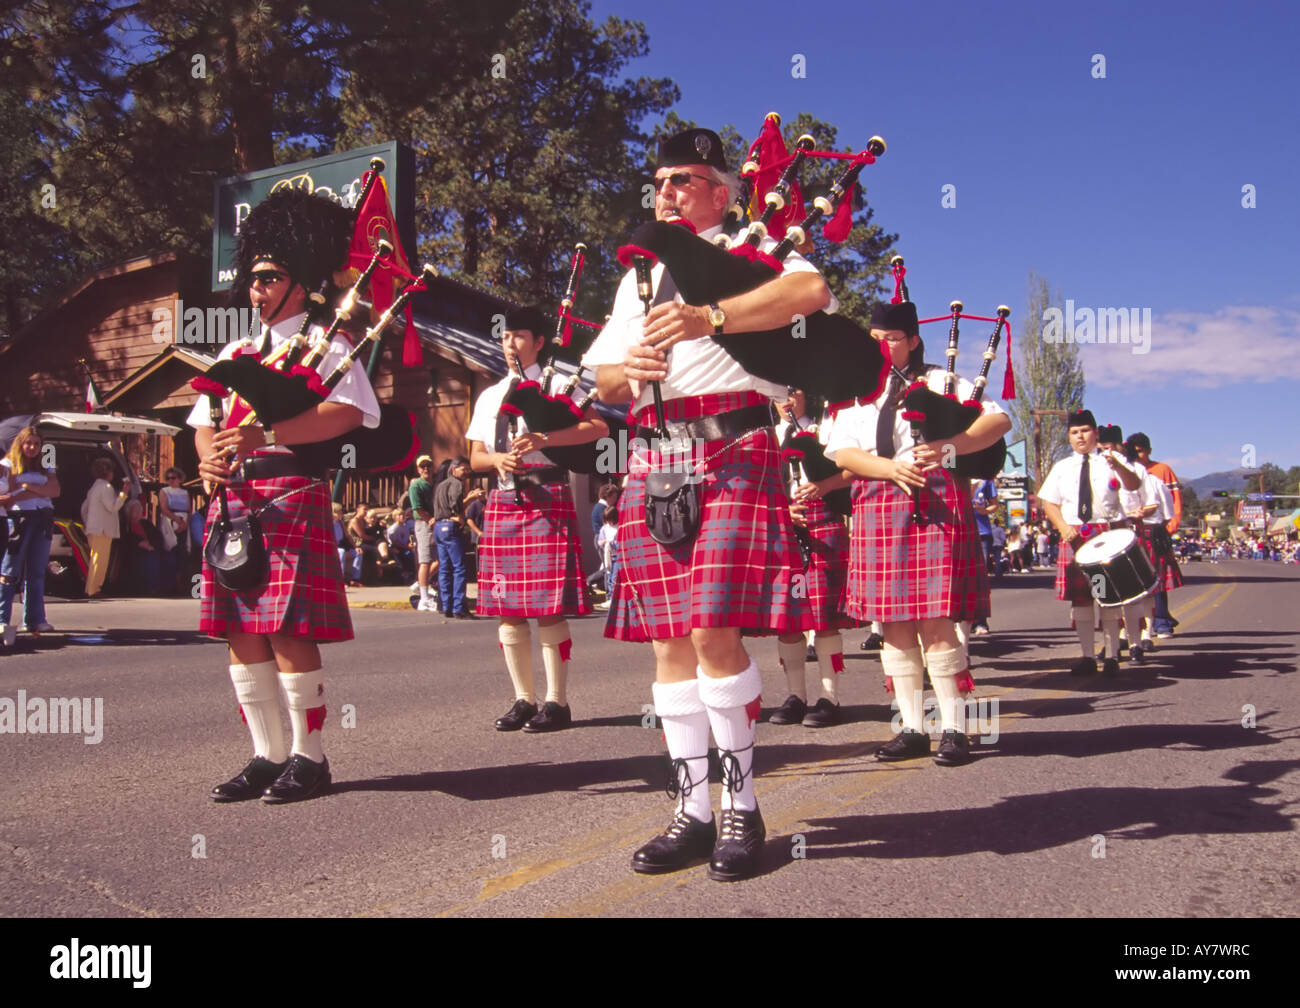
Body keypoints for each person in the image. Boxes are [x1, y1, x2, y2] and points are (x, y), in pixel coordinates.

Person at [582, 127, 830, 881]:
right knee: (667, 641)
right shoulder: (638, 277)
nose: (666, 192)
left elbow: (811, 293)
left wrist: (709, 317)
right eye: (659, 181)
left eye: (684, 180)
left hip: (734, 443)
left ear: (722, 191)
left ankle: (742, 804)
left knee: (713, 627)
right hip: (655, 453)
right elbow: (603, 384)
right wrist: (633, 367)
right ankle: (692, 806)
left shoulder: (753, 254)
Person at [191, 188, 380, 805]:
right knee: (241, 631)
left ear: (300, 283)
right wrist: (209, 456)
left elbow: (349, 414)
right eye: (252, 277)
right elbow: (202, 419)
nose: (257, 288)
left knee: (286, 631)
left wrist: (264, 433)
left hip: (289, 489)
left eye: (269, 277)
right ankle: (266, 756)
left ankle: (311, 756)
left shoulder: (328, 345)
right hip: (234, 498)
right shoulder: (235, 351)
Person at [827, 300, 1009, 768]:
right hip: (877, 503)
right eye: (874, 339)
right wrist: (887, 468)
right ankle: (911, 727)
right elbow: (842, 454)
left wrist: (949, 447)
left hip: (935, 500)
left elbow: (998, 420)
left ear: (912, 340)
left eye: (890, 338)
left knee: (935, 620)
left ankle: (954, 728)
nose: (881, 346)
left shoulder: (942, 381)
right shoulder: (854, 390)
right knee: (893, 626)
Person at [467, 306, 606, 734]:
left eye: (519, 337)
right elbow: (474, 457)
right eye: (505, 337)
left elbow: (598, 428)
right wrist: (497, 458)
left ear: (539, 342)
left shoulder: (560, 383)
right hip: (505, 499)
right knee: (508, 608)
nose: (510, 344)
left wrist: (547, 437)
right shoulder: (491, 395)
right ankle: (523, 699)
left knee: (547, 607)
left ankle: (556, 702)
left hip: (548, 491)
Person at [1036, 410, 1145, 677]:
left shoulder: (1112, 460)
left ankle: (1110, 655)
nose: (1080, 436)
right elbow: (1049, 502)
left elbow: (1133, 484)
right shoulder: (1062, 467)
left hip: (1107, 532)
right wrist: (1062, 527)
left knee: (1109, 598)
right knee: (1081, 600)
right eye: (1074, 432)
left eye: (1085, 431)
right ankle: (1086, 656)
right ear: (1069, 437)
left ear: (1096, 433)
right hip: (1075, 535)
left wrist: (1116, 464)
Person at [771, 388, 853, 728]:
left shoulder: (826, 428)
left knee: (824, 616)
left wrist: (827, 486)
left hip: (824, 522)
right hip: (780, 524)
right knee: (789, 617)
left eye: (795, 390)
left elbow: (852, 469)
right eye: (780, 392)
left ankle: (829, 697)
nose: (788, 397)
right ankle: (796, 696)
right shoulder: (765, 437)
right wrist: (782, 510)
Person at [0, 426, 61, 646]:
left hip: (43, 516)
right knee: (9, 571)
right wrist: (35, 488)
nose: (33, 448)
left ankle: (36, 619)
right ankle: (1, 621)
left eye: (37, 443)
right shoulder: (8, 463)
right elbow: (9, 495)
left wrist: (27, 487)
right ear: (21, 443)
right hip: (18, 518)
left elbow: (55, 490)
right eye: (29, 443)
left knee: (36, 571)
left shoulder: (48, 457)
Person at [1127, 432, 1182, 638]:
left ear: (1149, 450)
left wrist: (1172, 525)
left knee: (1156, 578)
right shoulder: (1126, 470)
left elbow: (1174, 500)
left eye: (1140, 450)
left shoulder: (1162, 470)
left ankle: (1161, 621)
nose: (1137, 455)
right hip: (1131, 531)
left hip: (1156, 529)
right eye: (1133, 451)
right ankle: (1136, 626)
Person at [83, 457, 128, 598]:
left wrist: (88, 522)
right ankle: (93, 589)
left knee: (95, 558)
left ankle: (91, 588)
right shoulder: (106, 487)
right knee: (100, 560)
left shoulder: (94, 487)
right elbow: (112, 506)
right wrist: (124, 494)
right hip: (102, 530)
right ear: (107, 472)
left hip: (94, 528)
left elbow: (83, 508)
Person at [433, 456, 472, 618]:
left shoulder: (440, 485)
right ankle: (458, 607)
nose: (466, 472)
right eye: (463, 469)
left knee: (444, 568)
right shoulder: (456, 484)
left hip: (438, 527)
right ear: (454, 469)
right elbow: (455, 502)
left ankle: (446, 605)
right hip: (450, 526)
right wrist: (458, 514)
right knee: (459, 567)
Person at [408, 456, 440, 611]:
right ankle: (424, 598)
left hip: (435, 523)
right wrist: (430, 519)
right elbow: (418, 509)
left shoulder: (434, 484)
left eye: (428, 465)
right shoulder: (416, 486)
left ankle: (420, 583)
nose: (426, 468)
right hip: (423, 524)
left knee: (439, 559)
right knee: (425, 560)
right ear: (418, 469)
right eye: (422, 466)